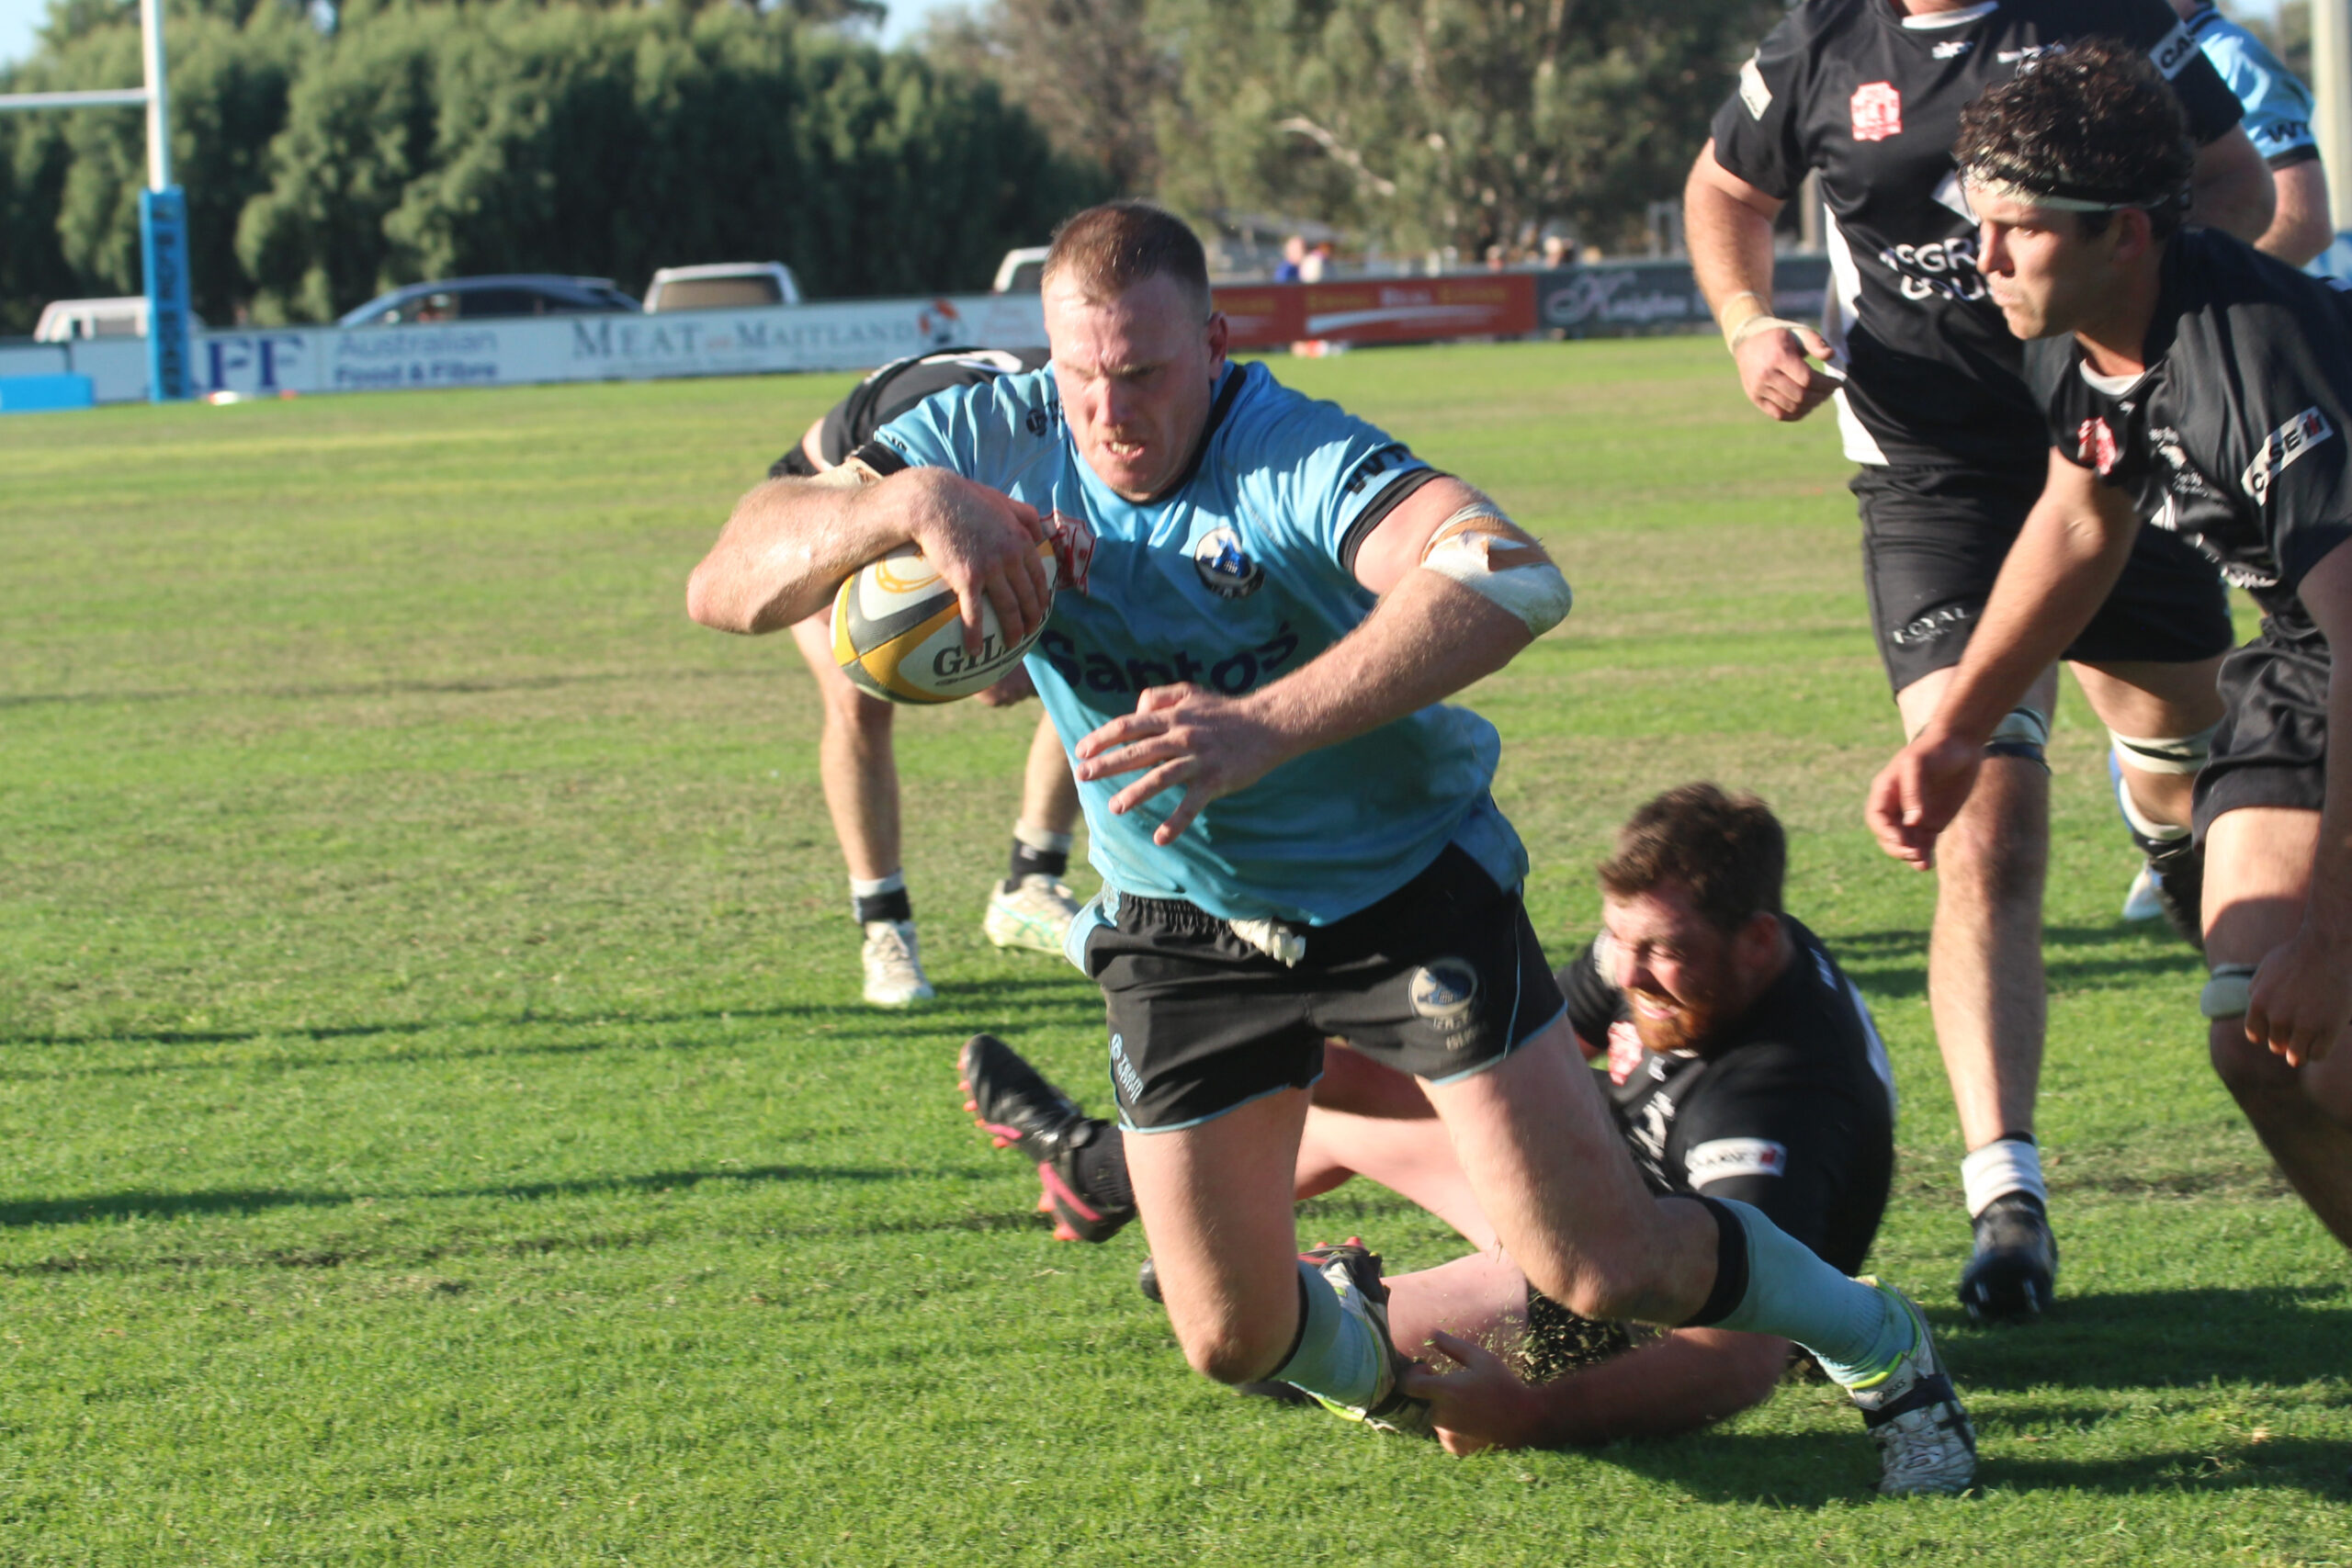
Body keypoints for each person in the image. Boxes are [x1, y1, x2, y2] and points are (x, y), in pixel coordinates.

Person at [686, 200, 1973, 1495]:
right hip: (1179, 919)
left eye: (1144, 374)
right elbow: (724, 582)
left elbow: (1511, 575)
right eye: (1082, 376)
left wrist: (1264, 727)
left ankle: (1878, 1341)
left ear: (1214, 345)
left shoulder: (1291, 455)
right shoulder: (980, 436)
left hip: (1400, 888)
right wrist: (911, 503)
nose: (1110, 413)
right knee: (1230, 1337)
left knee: (1599, 1267)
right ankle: (1387, 1374)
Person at [1681, 0, 2276, 1325]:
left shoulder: (2105, 17)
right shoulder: (1821, 41)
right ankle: (2006, 1194)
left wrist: (2159, 334)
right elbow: (1723, 189)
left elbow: (2237, 181)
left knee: (2190, 766)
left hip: (2117, 437)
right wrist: (1746, 322)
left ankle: (2174, 828)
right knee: (1987, 824)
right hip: (1934, 477)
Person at [960, 784, 1902, 1455]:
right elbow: (1512, 1063)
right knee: (1311, 1090)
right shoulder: (1674, 953)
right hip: (1593, 1191)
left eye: (1662, 951)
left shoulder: (1779, 1098)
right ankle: (1101, 1172)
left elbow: (1737, 1356)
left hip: (1625, 1296)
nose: (1628, 971)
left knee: (1278, 1348)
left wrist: (1532, 1419)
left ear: (1759, 941)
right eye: (1620, 938)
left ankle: (1304, 1281)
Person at [1868, 40, 2352, 1257]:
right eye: (1978, 222)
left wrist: (2332, 936)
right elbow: (2081, 518)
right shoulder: (2084, 332)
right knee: (2256, 1042)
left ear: (2123, 233)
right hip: (2306, 656)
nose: (1981, 260)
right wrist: (1957, 732)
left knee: (2338, 1043)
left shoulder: (2260, 365)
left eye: (2017, 231)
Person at [765, 347, 1086, 1007]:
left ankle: (1031, 883)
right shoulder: (956, 430)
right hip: (837, 497)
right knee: (859, 695)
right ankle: (884, 927)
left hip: (972, 498)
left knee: (1103, 659)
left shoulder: (1101, 418)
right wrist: (996, 653)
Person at [2173, 0, 2334, 271]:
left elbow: (2304, 223)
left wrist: (2202, 288)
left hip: (2242, 295)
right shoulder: (2182, 57)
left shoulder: (2229, 57)